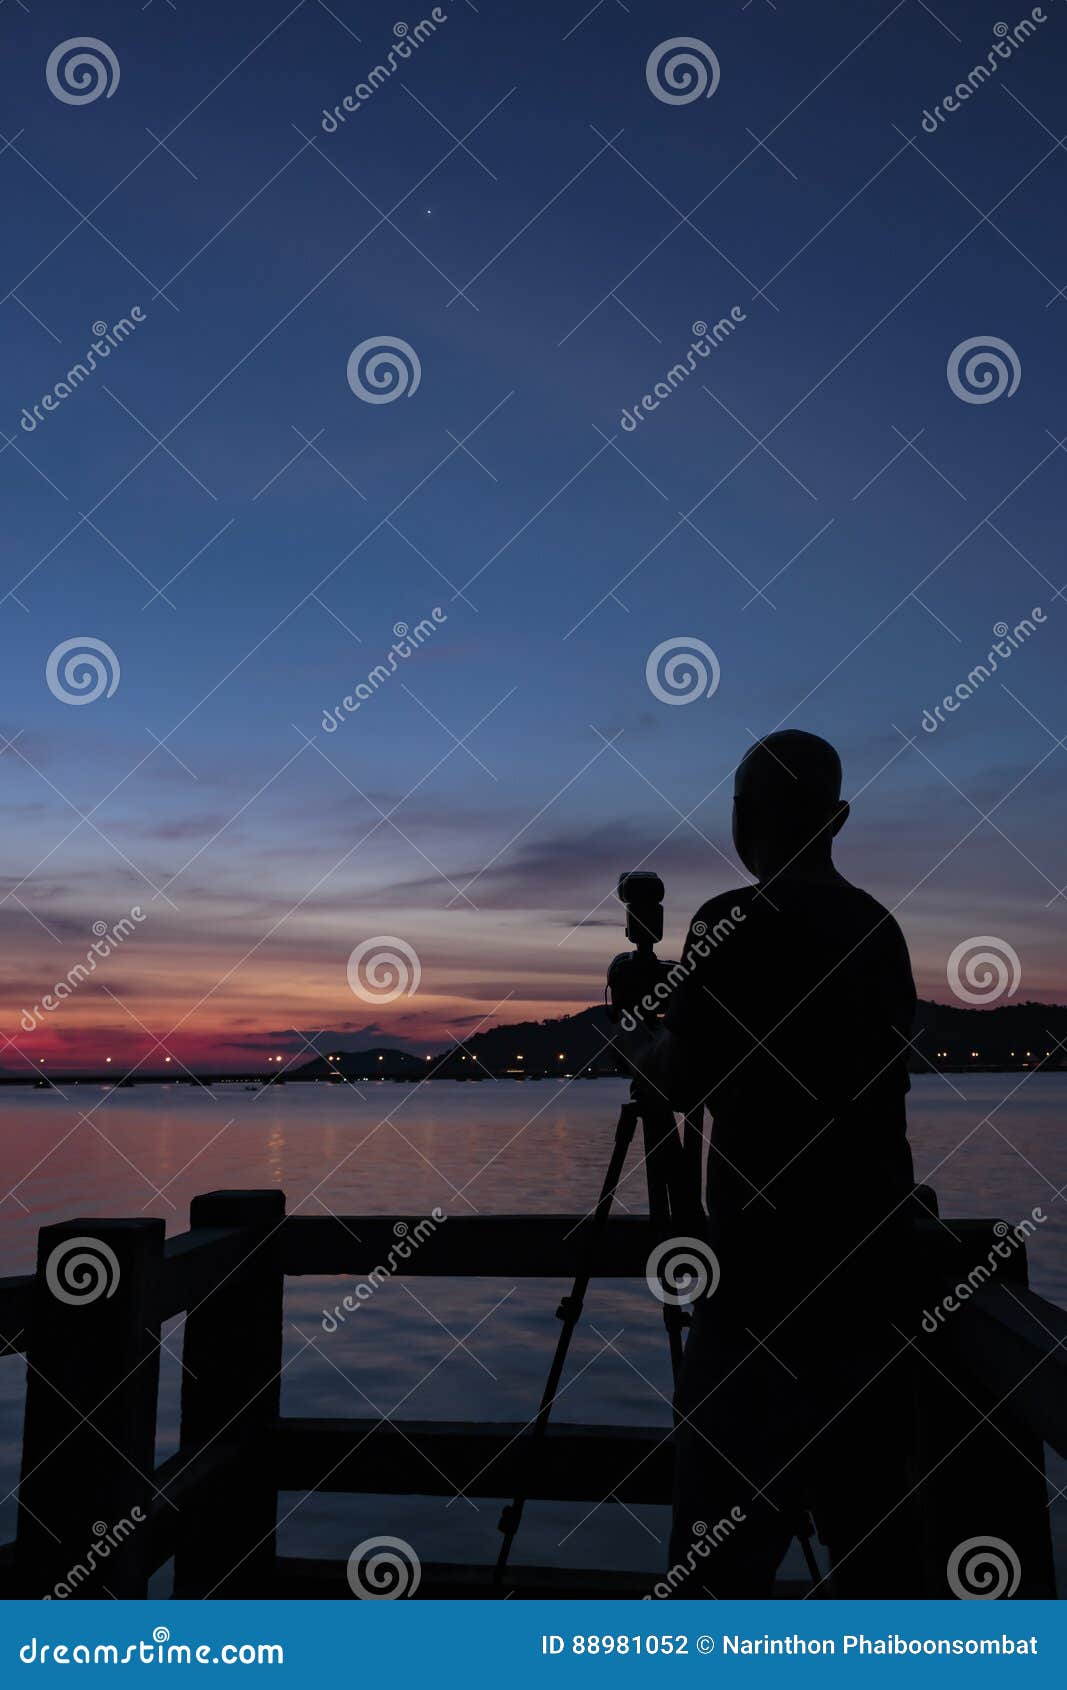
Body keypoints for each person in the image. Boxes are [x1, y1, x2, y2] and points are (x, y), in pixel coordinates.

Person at [623, 730, 919, 1596]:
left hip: (758, 1287)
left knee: (716, 1566)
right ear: (837, 819)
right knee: (877, 1554)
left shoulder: (731, 923)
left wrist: (637, 1038)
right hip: (873, 1277)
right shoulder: (879, 930)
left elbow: (682, 1080)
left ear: (742, 818)